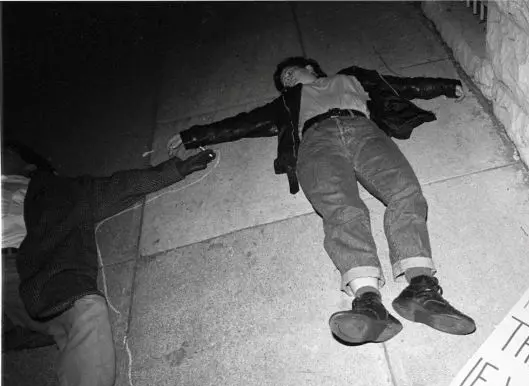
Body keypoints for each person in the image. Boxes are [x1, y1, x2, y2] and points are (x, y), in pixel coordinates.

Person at [167, 56, 476, 344]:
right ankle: (368, 302)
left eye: (289, 73)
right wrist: (193, 136)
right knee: (343, 209)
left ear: (308, 67)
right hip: (316, 143)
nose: (285, 81)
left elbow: (402, 85)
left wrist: (445, 87)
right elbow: (239, 123)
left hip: (365, 131)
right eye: (282, 81)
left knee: (405, 192)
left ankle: (421, 289)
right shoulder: (286, 102)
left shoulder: (352, 77)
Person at [1, 142, 216, 386]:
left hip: (23, 276)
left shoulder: (50, 190)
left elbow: (116, 187)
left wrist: (175, 169)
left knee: (88, 309)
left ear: (23, 162)